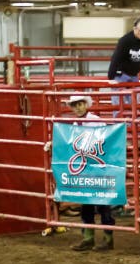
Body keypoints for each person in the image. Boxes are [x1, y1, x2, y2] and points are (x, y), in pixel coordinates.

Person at [44, 95, 116, 251]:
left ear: (85, 105)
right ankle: (89, 237)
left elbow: (104, 140)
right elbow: (69, 142)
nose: (77, 108)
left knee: (102, 204)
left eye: (80, 104)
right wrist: (54, 144)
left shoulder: (95, 121)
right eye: (74, 105)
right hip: (86, 169)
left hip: (97, 168)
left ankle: (107, 238)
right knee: (87, 204)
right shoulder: (76, 124)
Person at [107, 18, 140, 113]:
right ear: (135, 29)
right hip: (120, 74)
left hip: (134, 75)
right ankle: (121, 125)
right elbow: (116, 58)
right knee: (119, 104)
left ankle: (133, 126)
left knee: (135, 103)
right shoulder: (125, 40)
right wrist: (111, 77)